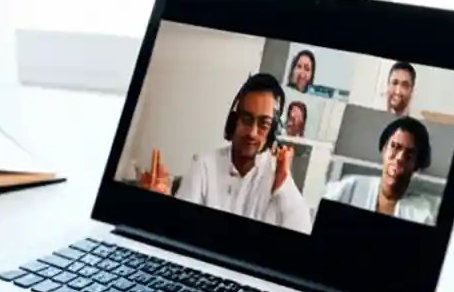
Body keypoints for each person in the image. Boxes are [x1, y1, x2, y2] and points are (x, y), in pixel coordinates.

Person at [138, 74, 312, 234]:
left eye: (263, 124)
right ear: (233, 121)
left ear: (272, 131)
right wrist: (160, 206)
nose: (252, 132)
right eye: (246, 119)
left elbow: (302, 231)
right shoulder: (204, 165)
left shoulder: (277, 175)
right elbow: (178, 228)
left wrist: (281, 185)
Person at [324, 116, 437, 225]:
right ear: (383, 149)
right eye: (395, 147)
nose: (400, 158)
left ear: (417, 164)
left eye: (410, 154)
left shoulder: (423, 215)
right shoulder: (349, 188)